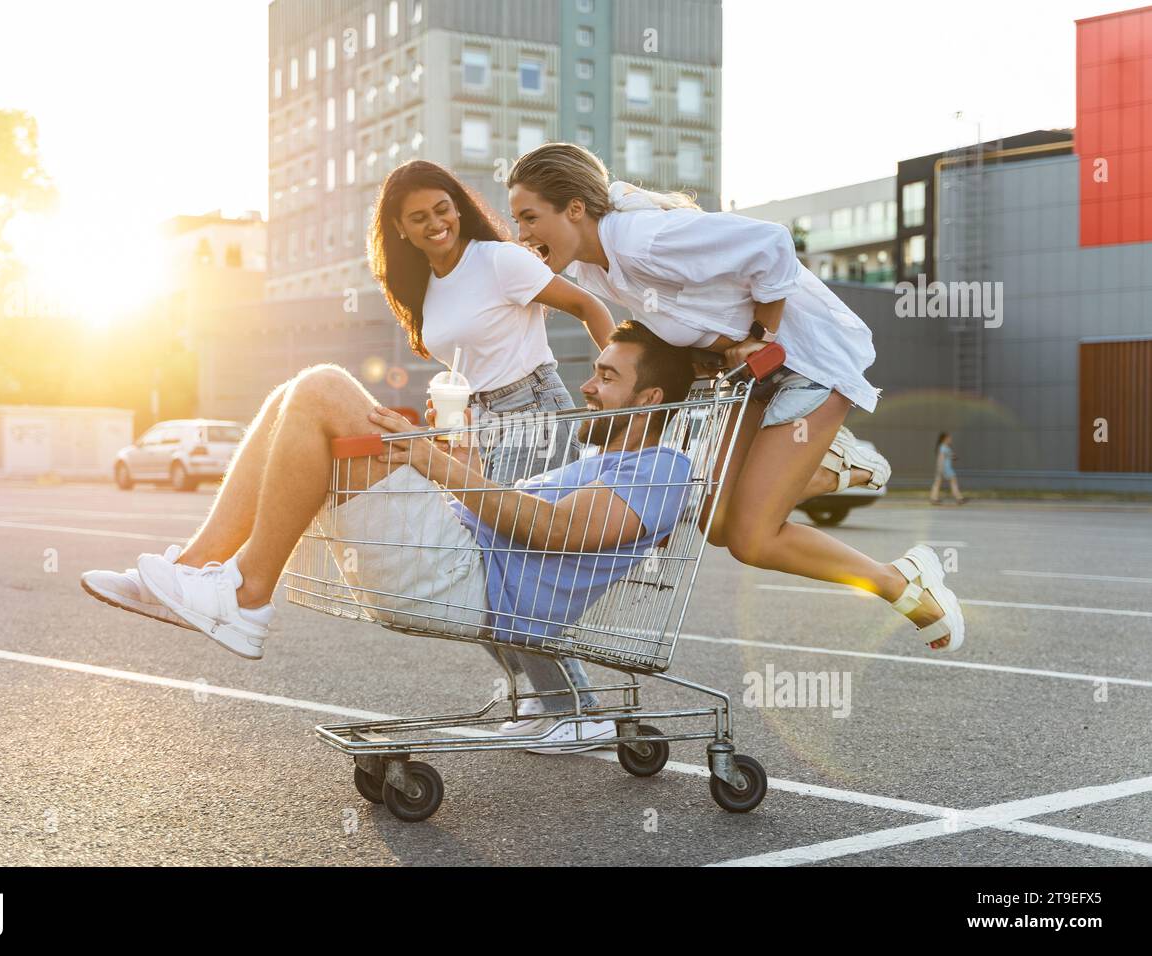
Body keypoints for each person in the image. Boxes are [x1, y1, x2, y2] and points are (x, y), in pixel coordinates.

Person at [81, 321, 696, 751]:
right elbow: (504, 514)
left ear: (649, 399)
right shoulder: (597, 461)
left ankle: (244, 598)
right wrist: (457, 451)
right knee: (289, 401)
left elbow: (560, 531)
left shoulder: (663, 470)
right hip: (455, 560)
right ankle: (196, 568)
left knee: (323, 388)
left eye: (607, 377)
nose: (588, 386)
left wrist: (432, 463)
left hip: (464, 582)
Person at [506, 143, 964, 653]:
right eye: (516, 221)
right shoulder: (594, 268)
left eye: (529, 217)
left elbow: (771, 244)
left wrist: (759, 337)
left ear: (573, 208)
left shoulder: (640, 239)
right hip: (749, 379)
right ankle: (829, 465)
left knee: (751, 538)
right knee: (716, 518)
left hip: (808, 363)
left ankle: (901, 582)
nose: (522, 234)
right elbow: (687, 317)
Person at [367, 159, 617, 733]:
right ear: (400, 230)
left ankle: (575, 711)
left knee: (511, 566)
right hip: (479, 425)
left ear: (459, 205)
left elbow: (589, 305)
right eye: (418, 218)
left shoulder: (499, 259)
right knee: (474, 566)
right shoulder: (425, 286)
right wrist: (452, 405)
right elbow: (466, 360)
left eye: (442, 208)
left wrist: (618, 389)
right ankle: (539, 696)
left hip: (533, 413)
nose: (436, 223)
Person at [930, 432, 967, 505]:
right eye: (949, 438)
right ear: (944, 439)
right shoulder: (943, 447)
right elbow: (941, 459)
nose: (950, 439)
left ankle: (934, 498)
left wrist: (954, 457)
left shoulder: (945, 447)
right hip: (946, 469)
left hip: (942, 469)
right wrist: (941, 469)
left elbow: (949, 456)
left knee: (937, 484)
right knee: (953, 483)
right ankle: (959, 498)